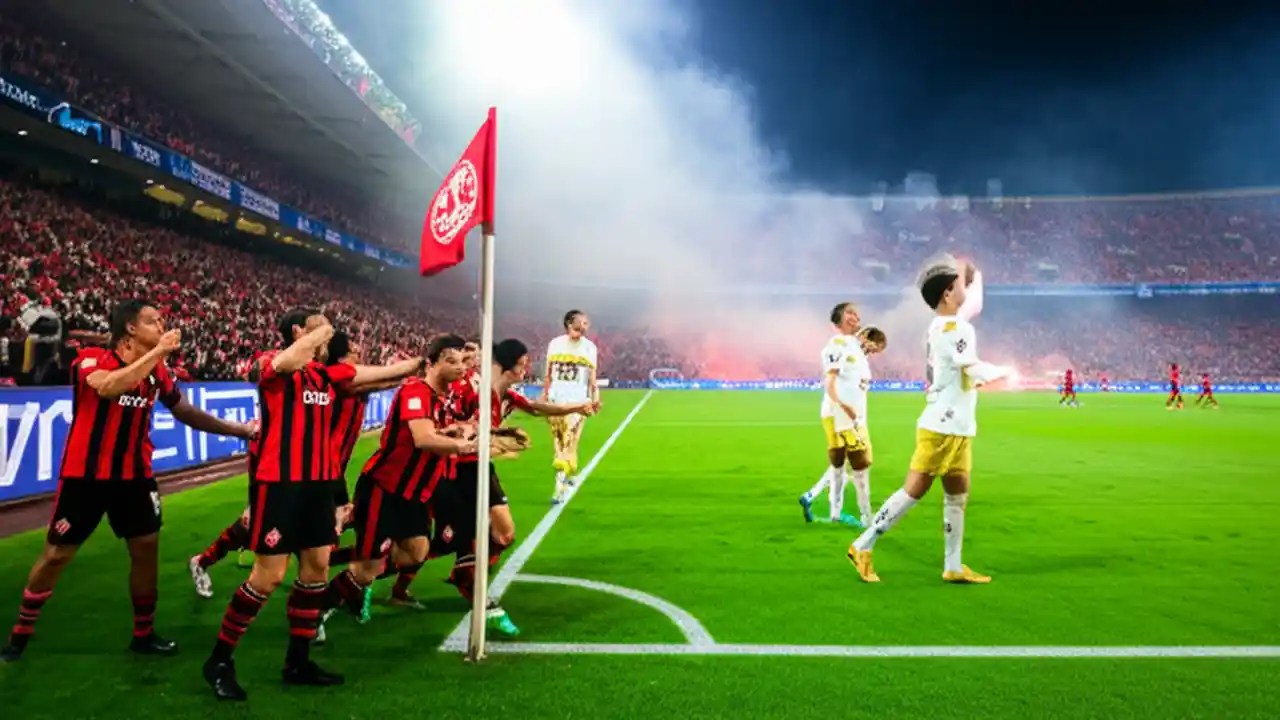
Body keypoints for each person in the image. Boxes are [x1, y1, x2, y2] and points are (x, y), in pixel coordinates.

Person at [1, 300, 255, 663]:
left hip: (135, 477)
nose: (162, 325)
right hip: (86, 477)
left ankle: (144, 634)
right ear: (131, 329)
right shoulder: (91, 358)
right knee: (56, 555)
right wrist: (159, 353)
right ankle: (20, 634)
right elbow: (107, 387)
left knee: (146, 551)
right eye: (154, 321)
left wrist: (240, 430)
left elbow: (184, 410)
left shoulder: (158, 371)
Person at [201, 307, 425, 702]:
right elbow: (285, 361)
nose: (331, 334)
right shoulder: (271, 363)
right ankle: (219, 660)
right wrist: (316, 335)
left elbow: (376, 373)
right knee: (268, 577)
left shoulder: (326, 375)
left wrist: (421, 363)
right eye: (323, 327)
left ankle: (298, 662)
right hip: (280, 485)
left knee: (316, 568)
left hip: (320, 486)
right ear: (298, 331)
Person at [847, 260, 1010, 584]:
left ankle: (953, 565)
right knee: (913, 490)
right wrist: (1003, 371)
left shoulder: (938, 328)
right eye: (959, 286)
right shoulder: (958, 329)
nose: (964, 290)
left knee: (958, 491)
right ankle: (862, 545)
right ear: (948, 293)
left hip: (956, 424)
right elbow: (969, 367)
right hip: (944, 427)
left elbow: (954, 372)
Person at [429, 338, 598, 637]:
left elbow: (536, 408)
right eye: (522, 363)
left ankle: (465, 570)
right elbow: (456, 426)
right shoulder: (473, 389)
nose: (526, 369)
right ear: (508, 364)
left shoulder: (504, 393)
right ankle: (476, 590)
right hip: (458, 469)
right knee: (428, 546)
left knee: (502, 534)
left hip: (480, 467)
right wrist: (495, 440)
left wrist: (578, 407)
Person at [321, 335, 476, 629]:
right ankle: (317, 608)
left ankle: (346, 563)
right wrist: (464, 446)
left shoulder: (442, 399)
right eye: (451, 361)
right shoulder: (415, 391)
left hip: (414, 493)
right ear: (431, 363)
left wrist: (454, 432)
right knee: (369, 568)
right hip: (385, 488)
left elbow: (434, 432)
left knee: (416, 552)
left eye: (462, 362)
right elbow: (423, 438)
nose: (460, 367)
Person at [799, 303, 886, 528]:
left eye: (856, 312)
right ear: (839, 319)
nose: (855, 315)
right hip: (842, 414)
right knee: (860, 464)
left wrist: (868, 343)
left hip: (851, 415)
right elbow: (830, 381)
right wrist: (845, 408)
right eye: (849, 312)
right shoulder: (837, 345)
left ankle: (831, 511)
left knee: (840, 465)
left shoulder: (855, 348)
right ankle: (866, 518)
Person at [542, 310, 600, 504]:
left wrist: (595, 398)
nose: (584, 327)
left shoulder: (589, 347)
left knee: (570, 440)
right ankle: (566, 474)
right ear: (569, 324)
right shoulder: (555, 344)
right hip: (556, 400)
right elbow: (548, 373)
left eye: (586, 323)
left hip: (578, 402)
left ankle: (561, 482)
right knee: (559, 442)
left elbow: (592, 377)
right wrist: (544, 396)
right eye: (580, 323)